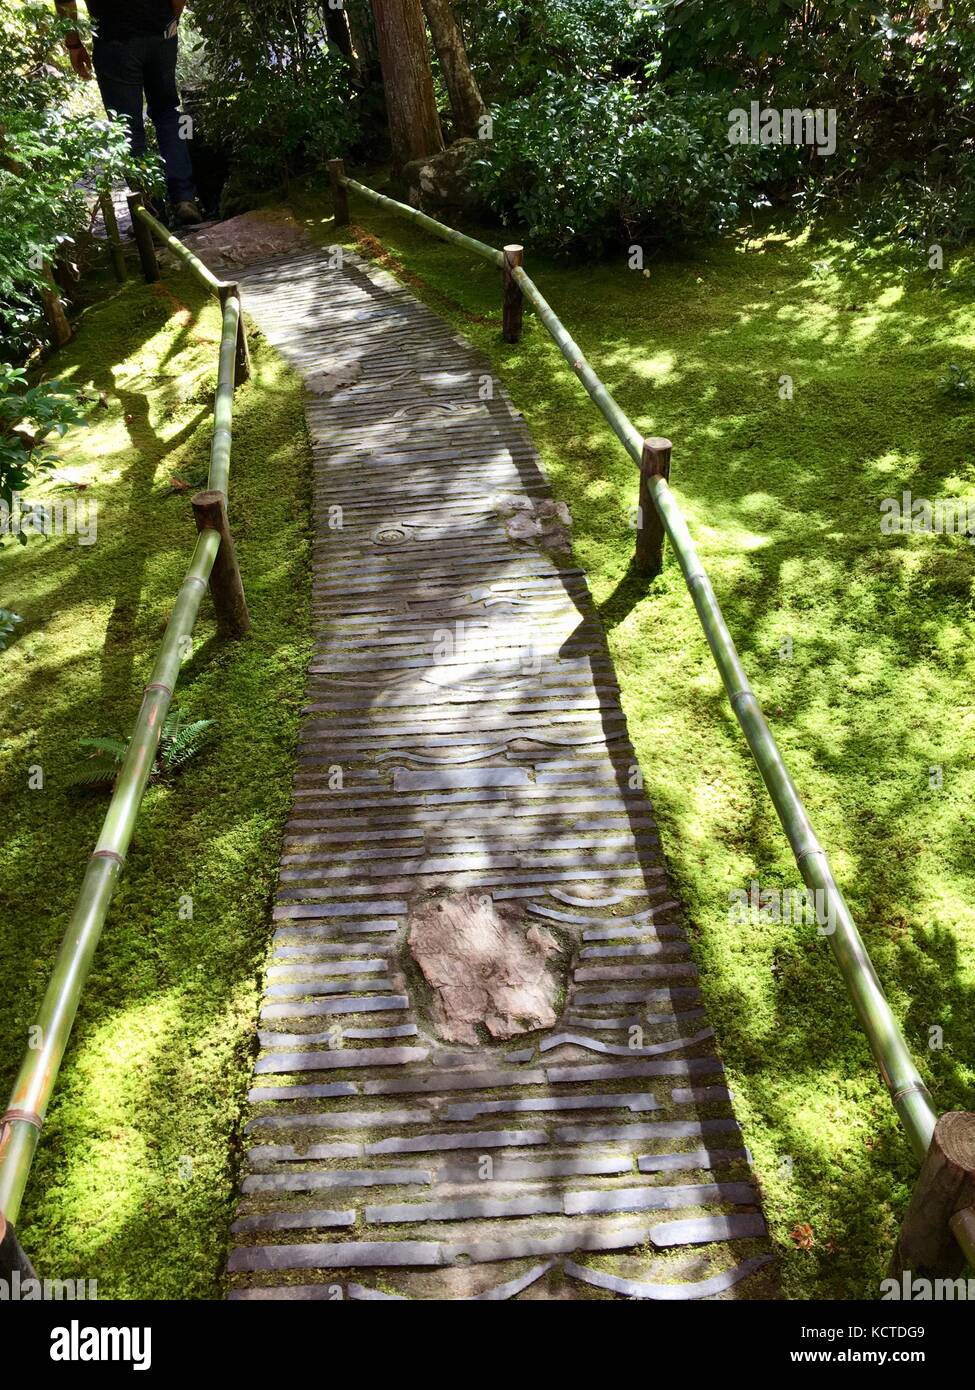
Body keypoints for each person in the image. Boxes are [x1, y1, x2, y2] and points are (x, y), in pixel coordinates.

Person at [55, 0, 202, 225]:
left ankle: (151, 212)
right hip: (160, 30)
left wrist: (74, 44)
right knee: (168, 113)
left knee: (127, 128)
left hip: (114, 39)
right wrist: (170, 20)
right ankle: (184, 198)